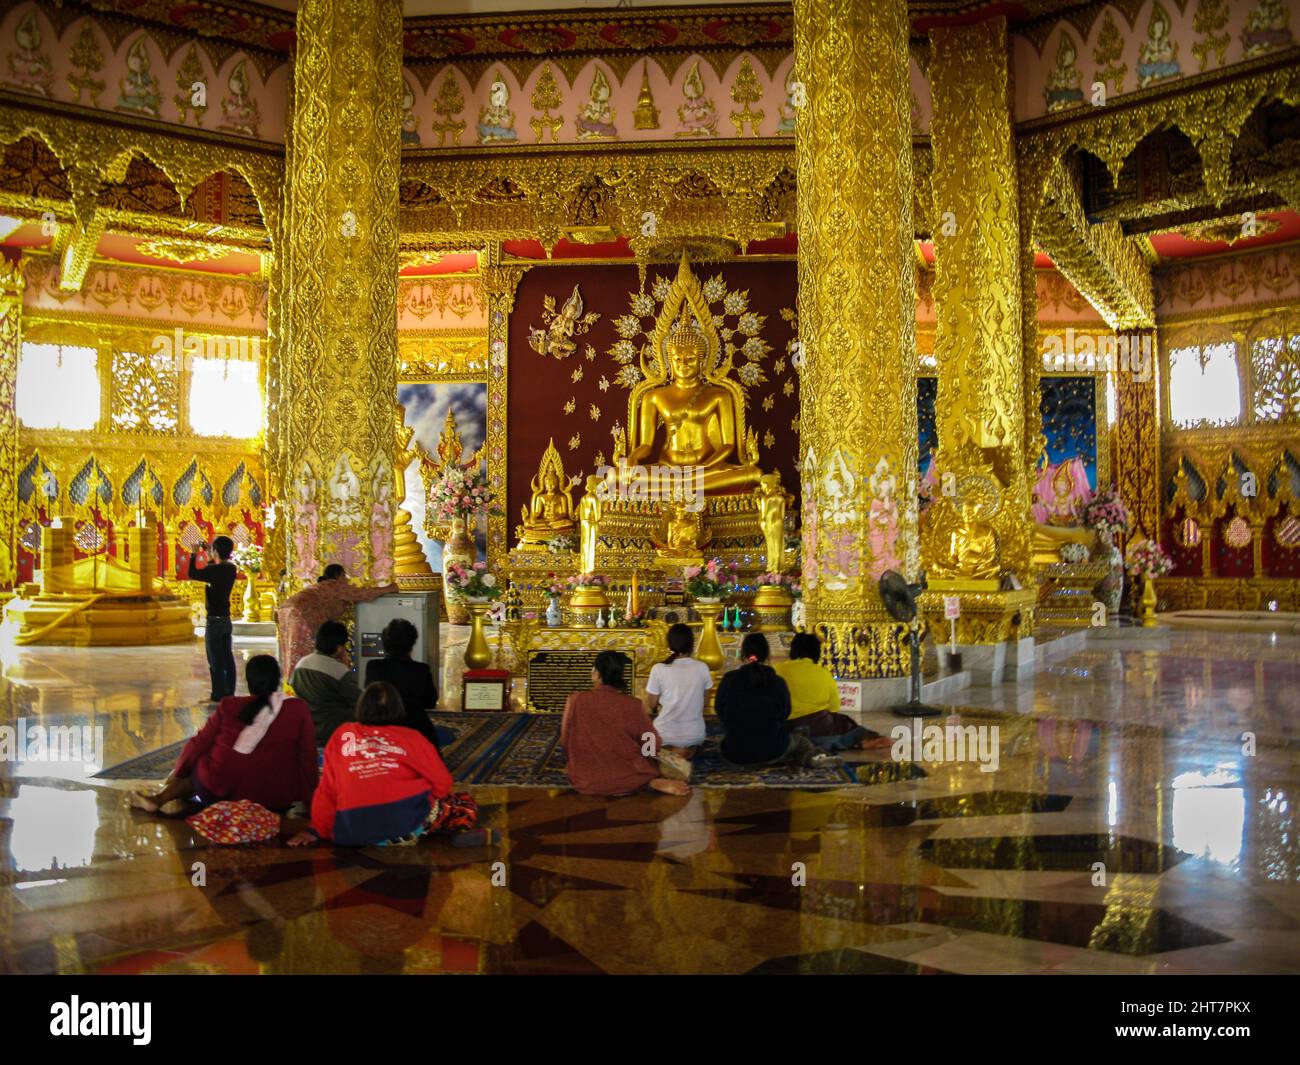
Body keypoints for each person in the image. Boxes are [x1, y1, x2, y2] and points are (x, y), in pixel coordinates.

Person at [287, 682, 484, 847]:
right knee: (463, 803)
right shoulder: (411, 737)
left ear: (361, 707)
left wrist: (316, 829)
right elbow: (442, 781)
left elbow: (327, 789)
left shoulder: (343, 734)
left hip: (352, 830)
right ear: (398, 708)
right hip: (405, 824)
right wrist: (428, 801)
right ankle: (457, 831)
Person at [131, 655, 317, 815]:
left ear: (248, 682)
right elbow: (307, 756)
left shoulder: (229, 705)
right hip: (276, 799)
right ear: (278, 680)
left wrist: (178, 772)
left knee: (200, 760)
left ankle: (158, 800)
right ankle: (161, 798)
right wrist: (311, 801)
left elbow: (198, 745)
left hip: (222, 793)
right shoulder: (297, 708)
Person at [561, 650, 691, 797]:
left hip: (584, 779)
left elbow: (565, 740)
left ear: (596, 674)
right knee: (665, 757)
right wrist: (653, 759)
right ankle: (650, 782)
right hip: (627, 776)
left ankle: (645, 781)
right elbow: (650, 743)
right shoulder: (632, 704)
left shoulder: (574, 700)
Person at [715, 633, 838, 769]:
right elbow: (784, 713)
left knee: (722, 742)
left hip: (734, 755)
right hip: (773, 751)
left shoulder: (729, 679)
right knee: (800, 741)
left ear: (742, 655)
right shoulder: (777, 681)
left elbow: (720, 710)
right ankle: (811, 758)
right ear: (767, 656)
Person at [776, 632, 892, 751]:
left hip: (784, 727)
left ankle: (800, 743)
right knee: (843, 723)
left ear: (793, 650)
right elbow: (834, 708)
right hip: (818, 726)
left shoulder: (777, 669)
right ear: (817, 652)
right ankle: (853, 742)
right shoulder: (823, 673)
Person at [275, 564, 396, 676]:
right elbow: (363, 594)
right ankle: (304, 684)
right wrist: (388, 589)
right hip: (300, 614)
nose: (347, 580)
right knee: (308, 654)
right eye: (345, 576)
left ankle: (296, 684)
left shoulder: (322, 586)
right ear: (339, 575)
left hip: (286, 611)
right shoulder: (336, 586)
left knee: (293, 652)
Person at [364, 618, 449, 751]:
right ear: (412, 643)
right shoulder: (421, 670)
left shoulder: (374, 667)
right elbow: (430, 702)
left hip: (380, 728)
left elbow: (369, 694)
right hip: (414, 727)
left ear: (385, 643)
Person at [644, 623, 711, 758]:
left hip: (664, 733)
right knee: (696, 742)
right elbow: (706, 702)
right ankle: (688, 750)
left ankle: (670, 750)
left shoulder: (658, 669)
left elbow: (651, 704)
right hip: (695, 734)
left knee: (645, 743)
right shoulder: (702, 667)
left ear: (669, 644)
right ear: (692, 644)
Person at [290, 620, 361, 745]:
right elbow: (359, 701)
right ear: (339, 648)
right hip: (332, 732)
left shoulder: (301, 664)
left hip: (305, 729)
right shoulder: (339, 671)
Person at [190, 535, 237, 702]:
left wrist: (194, 554)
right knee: (227, 657)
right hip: (226, 620)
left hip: (214, 621)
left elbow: (193, 573)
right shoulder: (231, 569)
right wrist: (212, 555)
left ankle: (217, 695)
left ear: (216, 551)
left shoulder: (214, 571)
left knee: (215, 659)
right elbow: (214, 572)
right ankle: (229, 692)